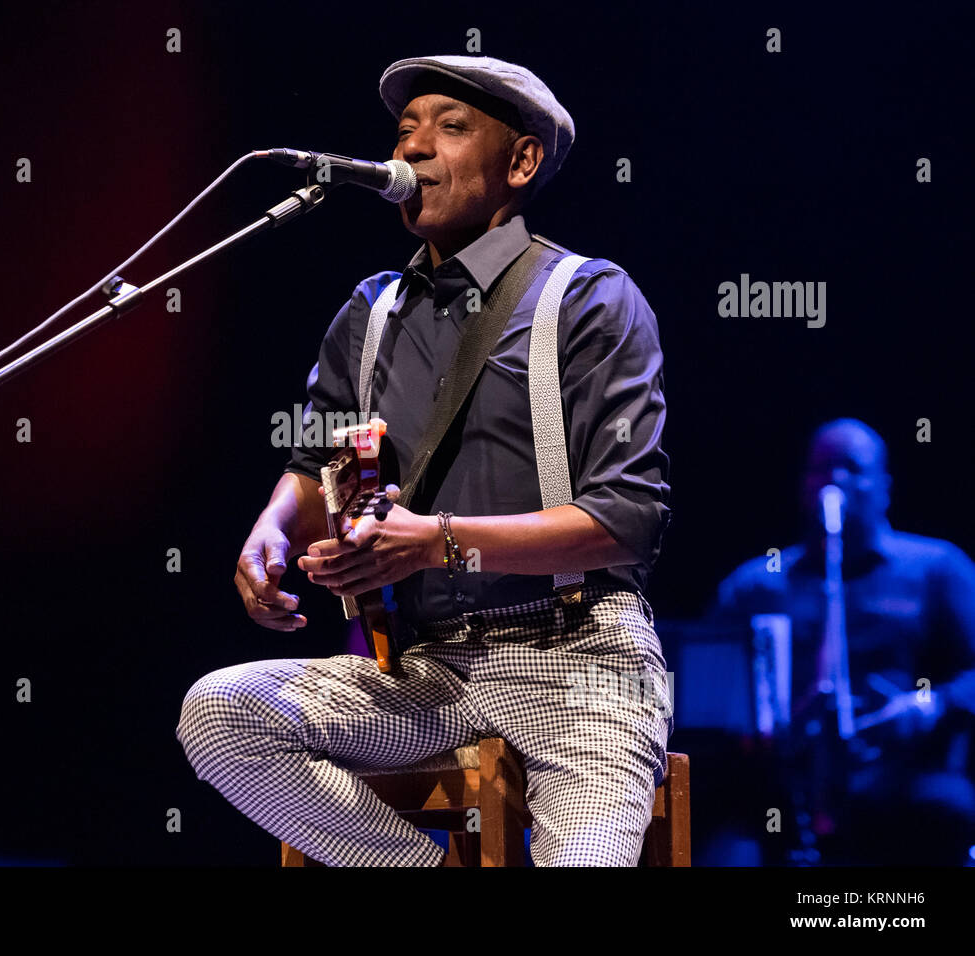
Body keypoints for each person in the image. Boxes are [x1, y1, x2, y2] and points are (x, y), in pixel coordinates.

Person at [176, 54, 673, 866]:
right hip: (422, 667)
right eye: (405, 131)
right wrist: (271, 529)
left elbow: (627, 521)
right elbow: (314, 465)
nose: (413, 149)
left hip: (579, 661)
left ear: (519, 162)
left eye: (449, 127)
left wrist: (438, 539)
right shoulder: (371, 311)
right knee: (220, 713)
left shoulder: (588, 297)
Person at [709, 418, 975, 865]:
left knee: (946, 808)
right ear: (801, 485)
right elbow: (709, 690)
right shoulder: (756, 585)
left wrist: (930, 706)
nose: (835, 481)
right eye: (822, 469)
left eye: (853, 468)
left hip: (900, 780)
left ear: (885, 486)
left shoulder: (937, 568)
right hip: (780, 789)